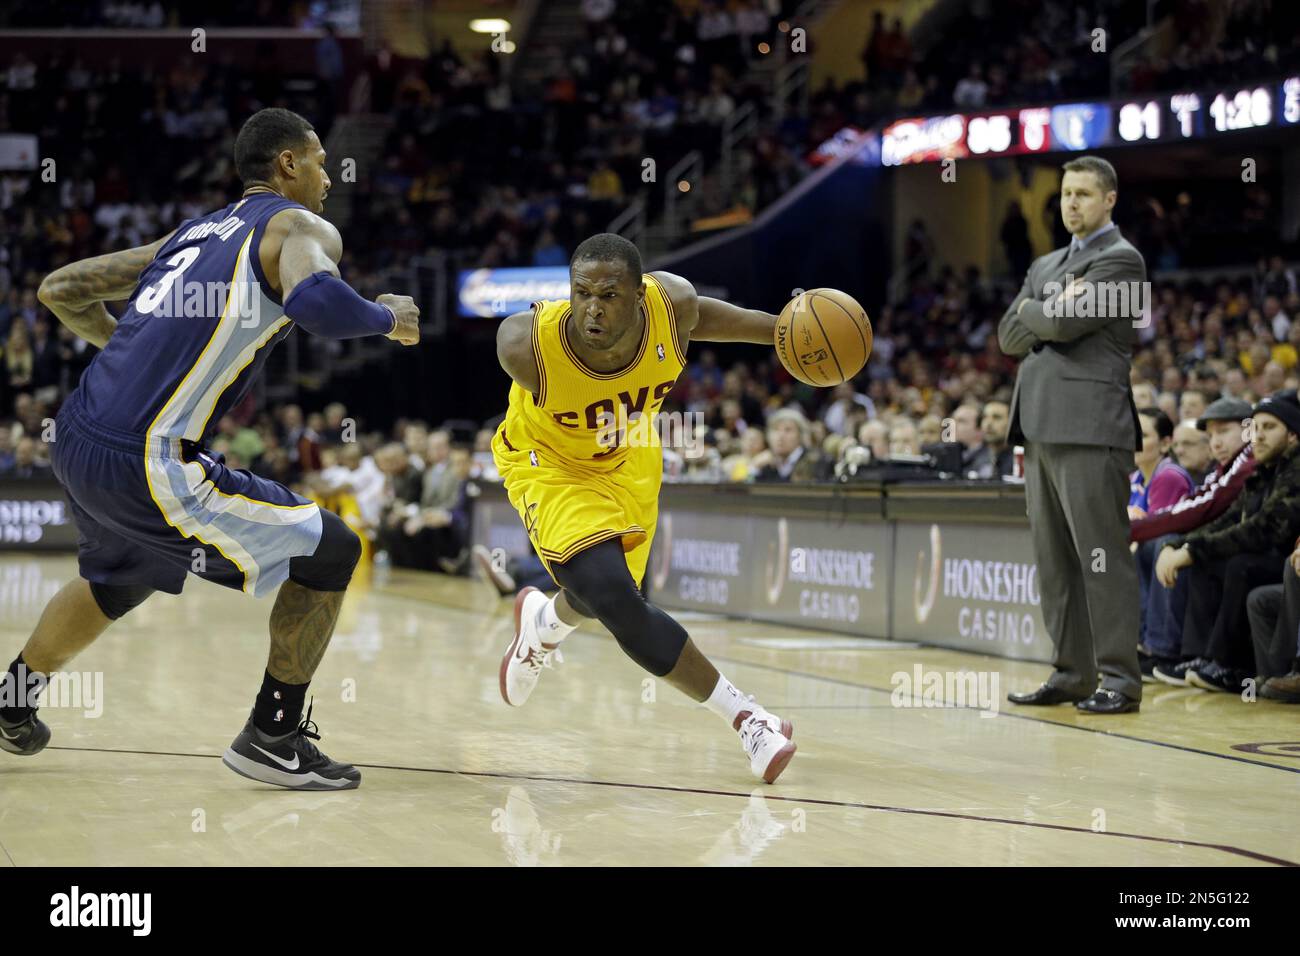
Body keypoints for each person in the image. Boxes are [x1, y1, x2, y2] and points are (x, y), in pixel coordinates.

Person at [0, 109, 421, 790]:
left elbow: (60, 290)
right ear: (286, 164)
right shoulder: (297, 226)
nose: (328, 177)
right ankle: (273, 736)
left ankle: (11, 704)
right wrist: (387, 318)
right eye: (318, 160)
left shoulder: (191, 234)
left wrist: (134, 348)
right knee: (333, 550)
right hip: (147, 458)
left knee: (119, 579)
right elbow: (317, 300)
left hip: (77, 435)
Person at [491, 233, 800, 783]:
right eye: (582, 292)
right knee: (616, 598)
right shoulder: (525, 345)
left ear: (639, 296)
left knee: (596, 597)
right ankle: (749, 719)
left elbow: (705, 317)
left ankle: (542, 624)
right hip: (551, 466)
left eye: (609, 295)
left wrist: (783, 332)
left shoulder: (672, 307)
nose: (593, 307)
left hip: (629, 457)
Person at [998, 155, 1146, 714]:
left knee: (1102, 557)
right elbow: (1009, 336)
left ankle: (1120, 680)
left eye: (1084, 194)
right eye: (1065, 194)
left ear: (1110, 199)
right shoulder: (1045, 262)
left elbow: (1058, 326)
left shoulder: (1124, 261)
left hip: (1090, 428)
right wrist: (1051, 304)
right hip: (1038, 428)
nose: (1072, 204)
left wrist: (1043, 310)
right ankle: (1071, 672)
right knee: (1055, 562)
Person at [1154, 390, 1300, 693]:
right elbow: (1228, 520)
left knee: (1239, 565)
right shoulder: (1263, 471)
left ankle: (1228, 665)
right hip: (1275, 561)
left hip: (1284, 560)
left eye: (1269, 428)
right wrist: (1182, 545)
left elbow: (1264, 529)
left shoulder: (1295, 470)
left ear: (1293, 435)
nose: (1258, 437)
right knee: (1210, 562)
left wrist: (1192, 550)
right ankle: (1199, 657)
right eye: (1255, 428)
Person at [1130, 397, 1255, 678]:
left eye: (1223, 432)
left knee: (1167, 545)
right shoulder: (1224, 467)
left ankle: (1165, 650)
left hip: (1254, 549)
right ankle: (1150, 645)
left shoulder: (1247, 461)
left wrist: (1131, 531)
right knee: (1158, 547)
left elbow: (1200, 510)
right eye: (1210, 436)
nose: (1216, 443)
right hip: (1233, 542)